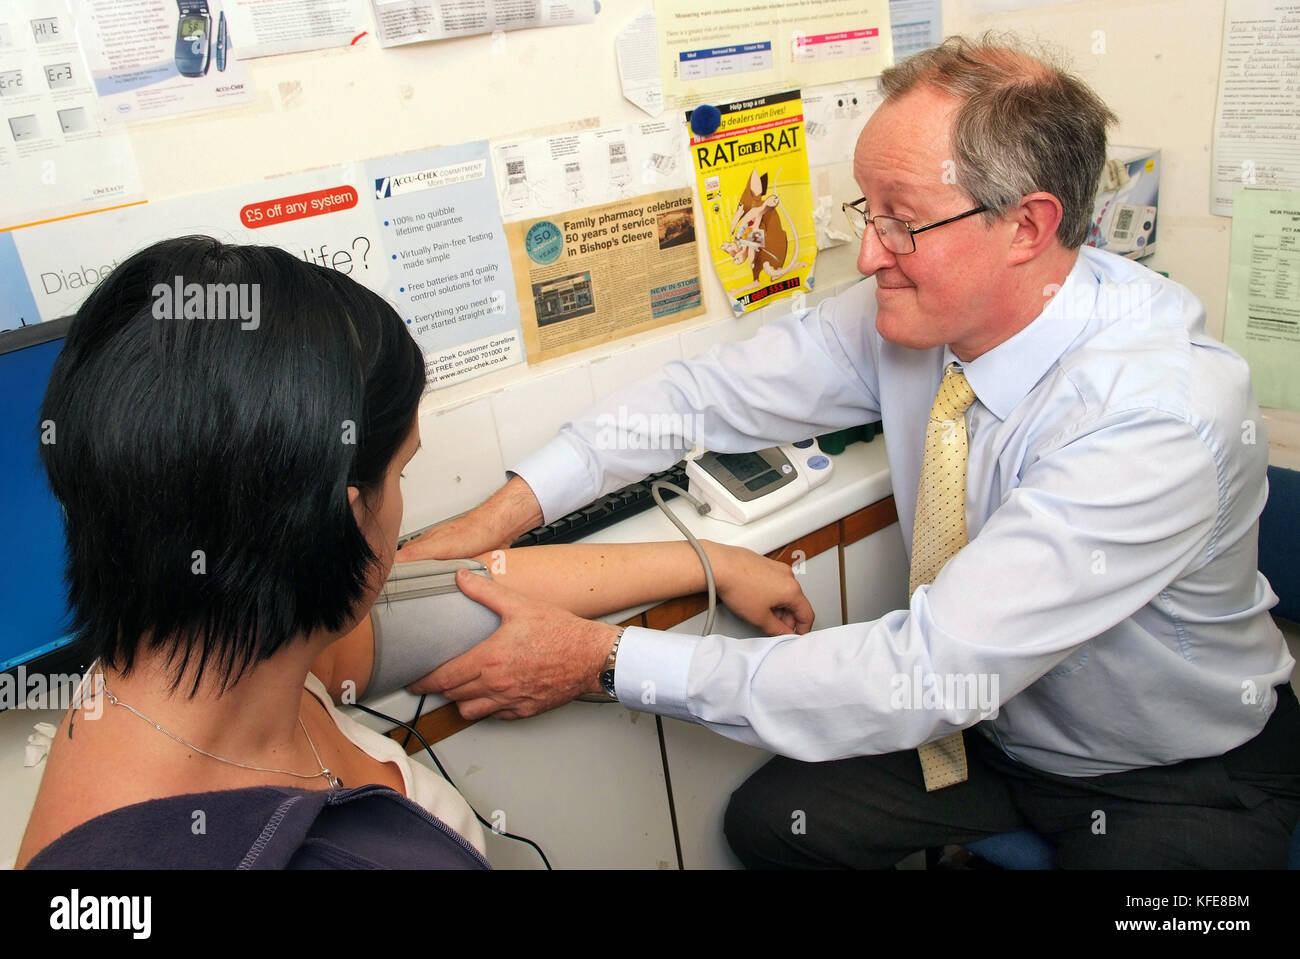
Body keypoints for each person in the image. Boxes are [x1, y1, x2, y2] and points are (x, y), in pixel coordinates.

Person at [399, 36, 1300, 868]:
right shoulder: (924, 316)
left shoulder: (1158, 415)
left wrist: (603, 660)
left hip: (1175, 772)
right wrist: (495, 517)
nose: (869, 255)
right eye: (870, 210)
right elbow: (695, 398)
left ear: (1027, 226)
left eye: (903, 220)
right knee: (773, 826)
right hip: (993, 730)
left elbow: (928, 673)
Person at [17, 236, 810, 869]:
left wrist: (713, 560)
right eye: (403, 471)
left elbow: (468, 591)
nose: (404, 516)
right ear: (344, 513)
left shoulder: (222, 648)